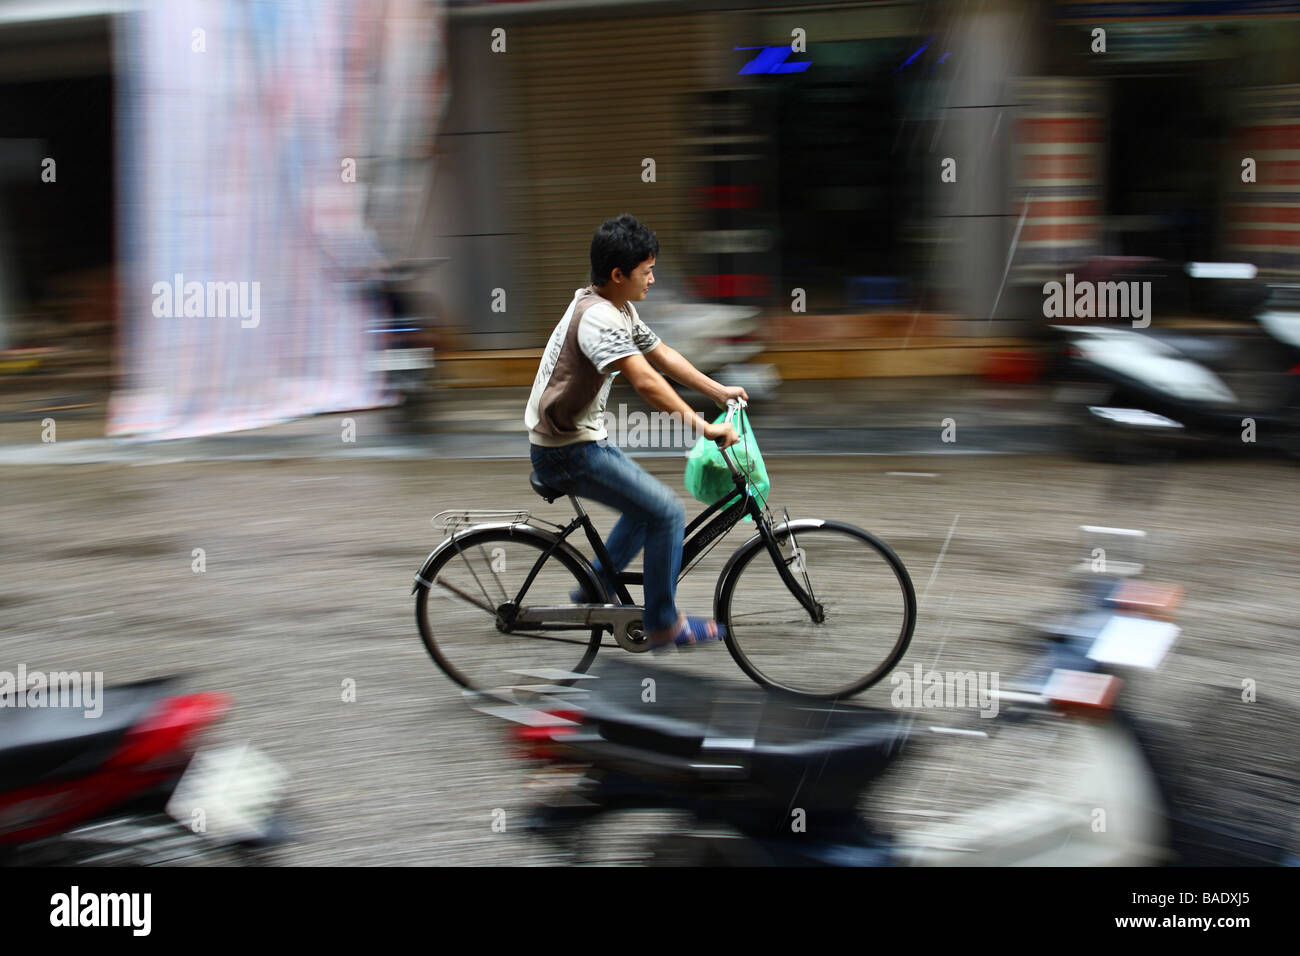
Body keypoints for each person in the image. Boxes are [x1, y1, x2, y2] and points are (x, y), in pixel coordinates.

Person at [525, 214, 747, 648]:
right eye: (647, 270)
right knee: (665, 512)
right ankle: (664, 622)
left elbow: (662, 354)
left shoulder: (617, 308)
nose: (653, 278)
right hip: (565, 451)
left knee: (645, 507)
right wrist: (703, 427)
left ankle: (595, 585)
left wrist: (718, 391)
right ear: (617, 274)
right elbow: (645, 381)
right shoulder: (598, 320)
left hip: (582, 440)